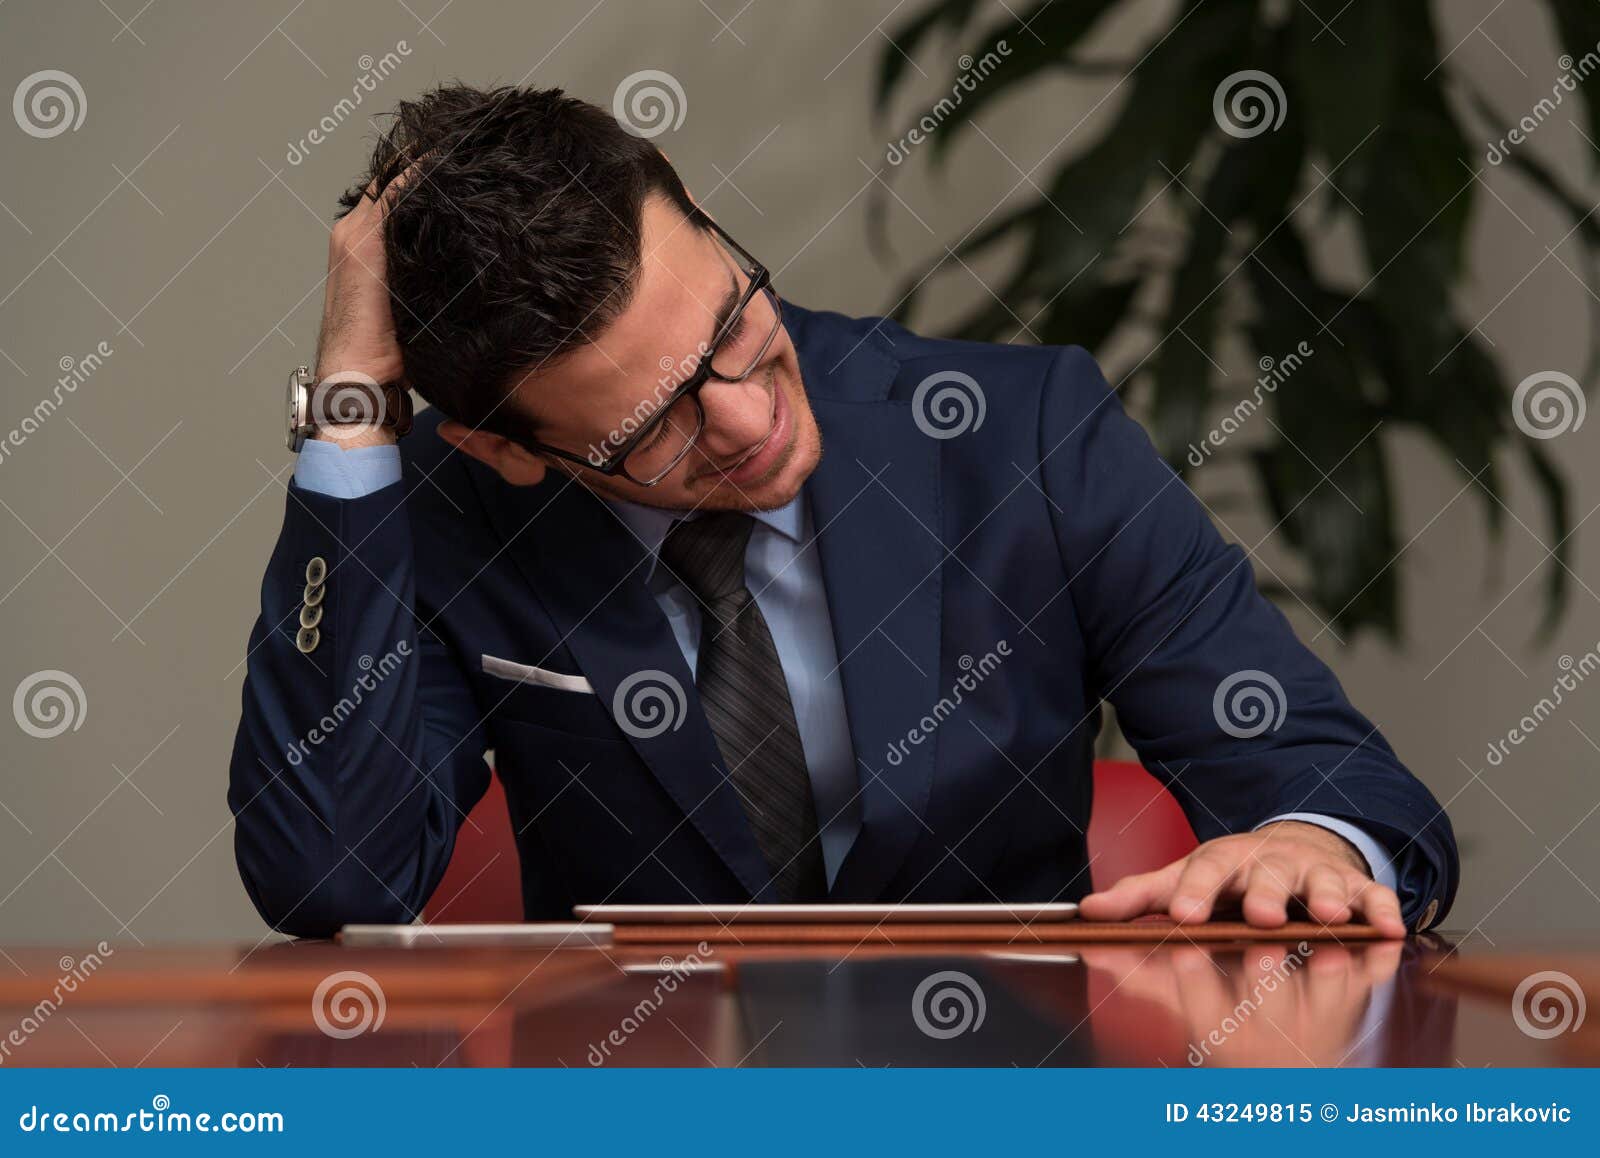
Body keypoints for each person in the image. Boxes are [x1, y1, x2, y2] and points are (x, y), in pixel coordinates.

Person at [228, 84, 1456, 939]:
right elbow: (336, 875)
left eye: (731, 324)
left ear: (702, 217)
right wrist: (351, 416)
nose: (751, 422)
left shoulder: (1022, 433)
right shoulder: (448, 512)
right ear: (503, 446)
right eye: (650, 429)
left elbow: (1338, 783)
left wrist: (1319, 846)